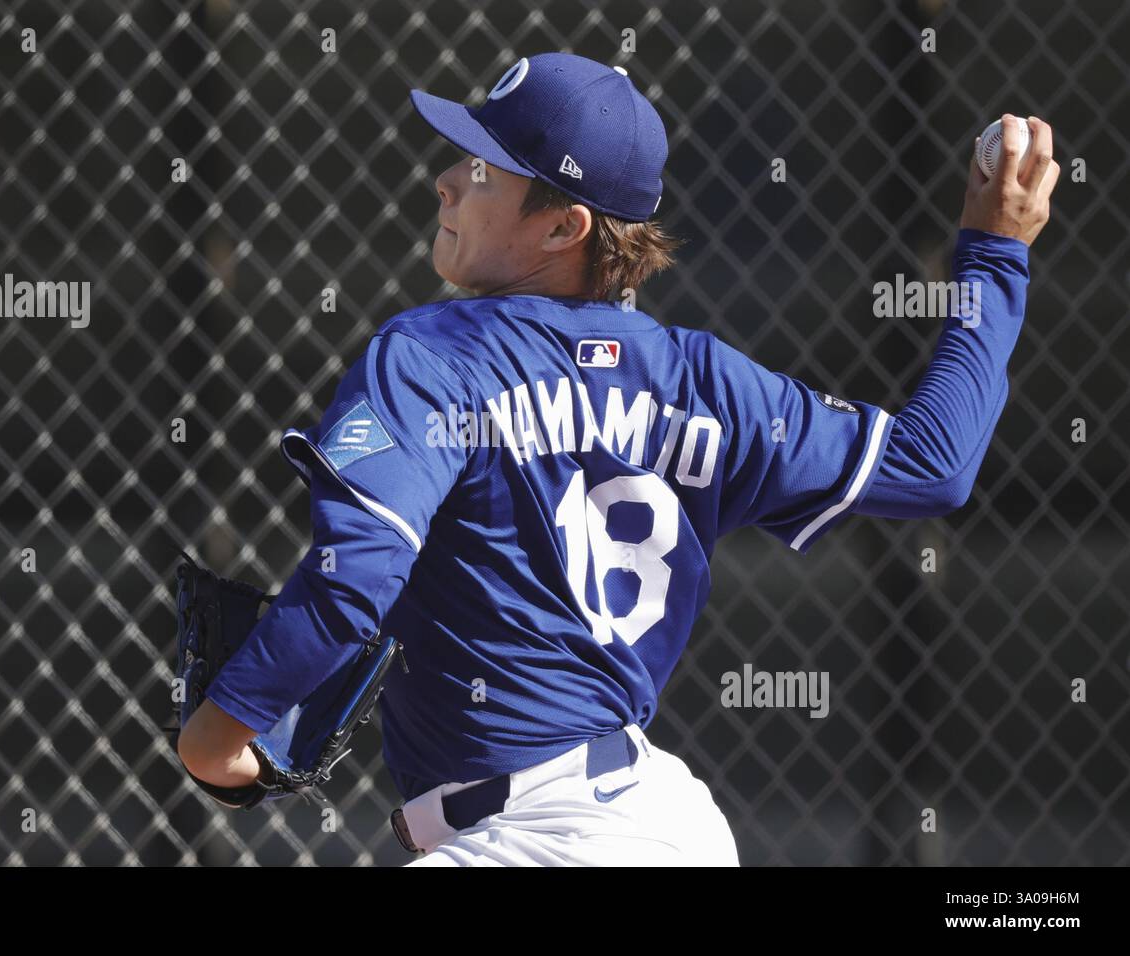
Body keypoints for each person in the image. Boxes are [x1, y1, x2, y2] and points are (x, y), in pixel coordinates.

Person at [177, 52, 1059, 866]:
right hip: (670, 829)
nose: (447, 181)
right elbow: (933, 462)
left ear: (564, 225)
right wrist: (997, 255)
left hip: (530, 840)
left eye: (482, 170)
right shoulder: (707, 381)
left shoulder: (435, 356)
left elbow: (349, 579)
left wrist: (219, 734)